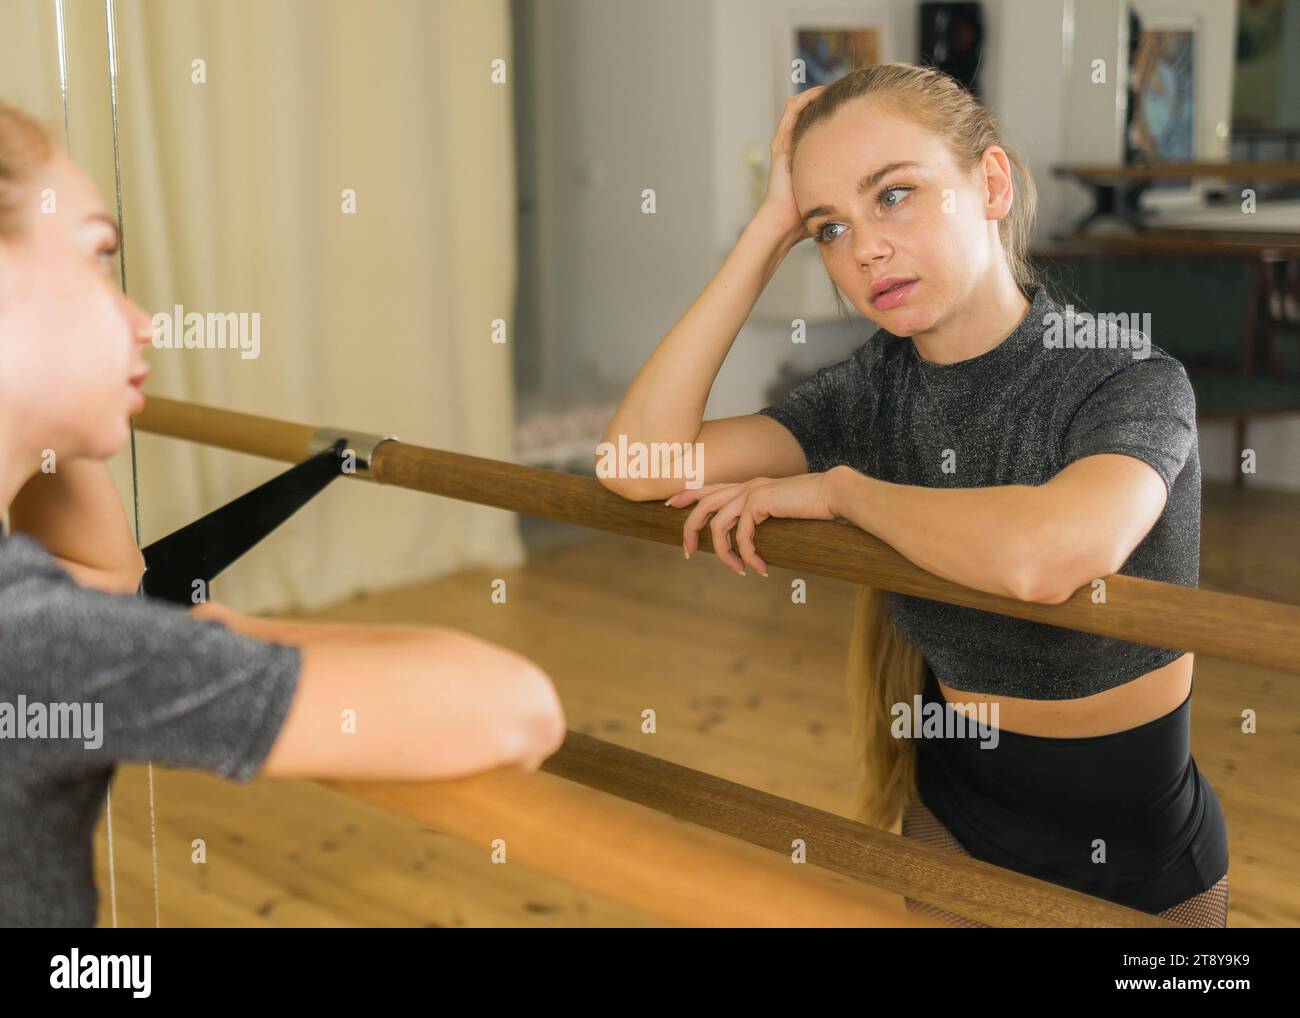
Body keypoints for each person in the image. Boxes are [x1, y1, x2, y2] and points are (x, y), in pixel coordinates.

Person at [597, 63, 1228, 927]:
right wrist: (766, 231)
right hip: (953, 829)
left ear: (992, 184)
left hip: (1147, 869)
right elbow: (636, 461)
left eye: (894, 195)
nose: (863, 249)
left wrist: (845, 493)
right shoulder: (868, 393)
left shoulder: (1126, 375)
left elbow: (1048, 555)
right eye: (829, 228)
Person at [0, 100, 566, 928]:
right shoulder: (33, 640)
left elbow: (111, 591)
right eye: (97, 256)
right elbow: (516, 706)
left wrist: (49, 407)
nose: (140, 319)